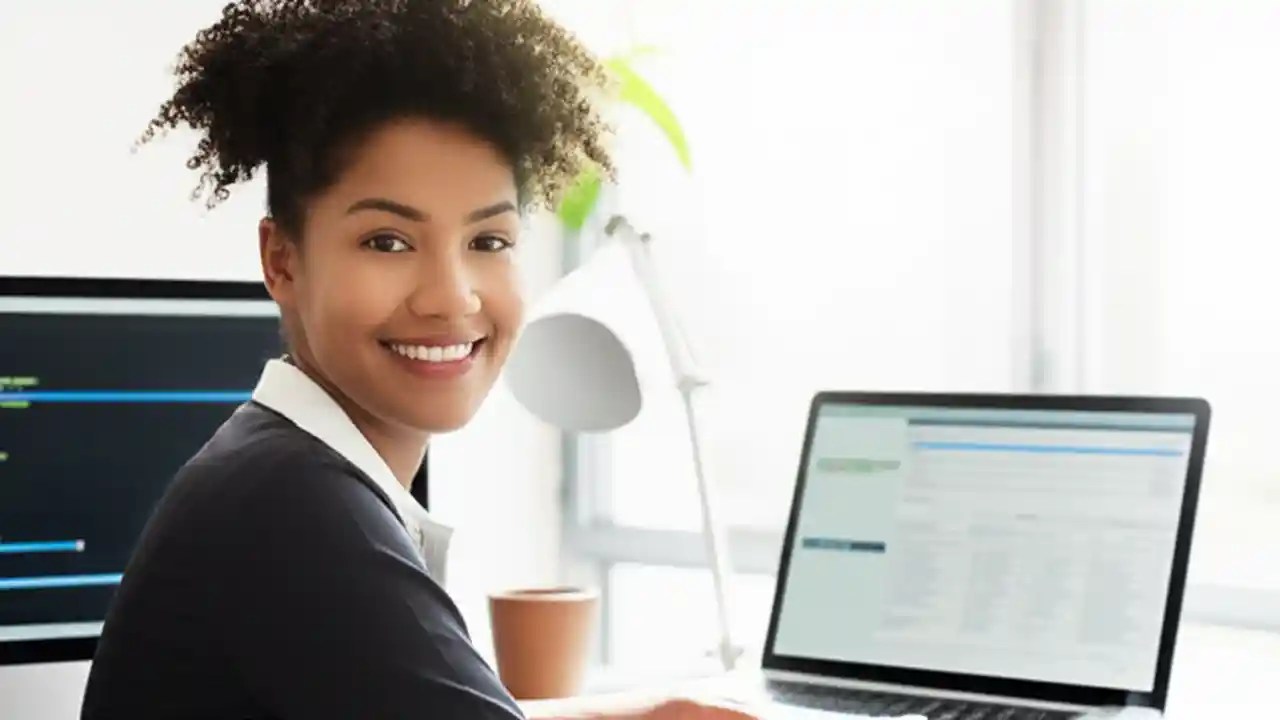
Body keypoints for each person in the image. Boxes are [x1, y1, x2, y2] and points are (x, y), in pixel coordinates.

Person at [79, 2, 756, 719]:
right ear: (282, 261)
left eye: (488, 242)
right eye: (388, 242)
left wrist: (645, 712)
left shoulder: (270, 467)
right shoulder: (304, 524)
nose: (451, 298)